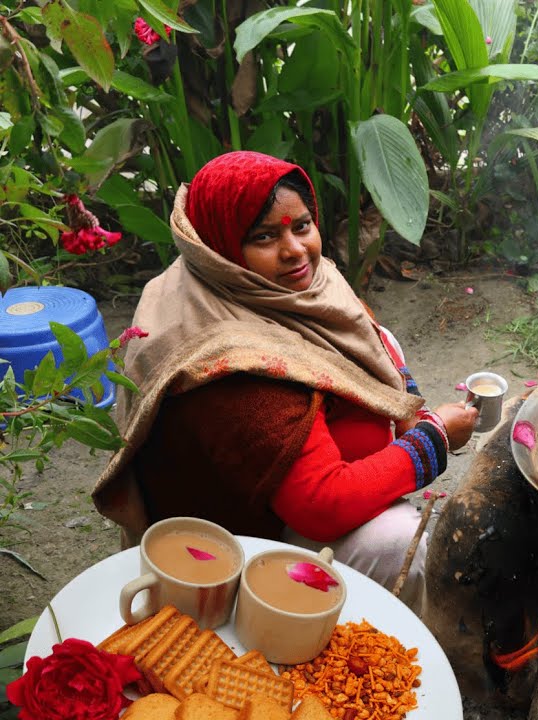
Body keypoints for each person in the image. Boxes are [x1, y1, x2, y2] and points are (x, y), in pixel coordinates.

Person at [92, 151, 478, 617]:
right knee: (398, 543)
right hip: (243, 543)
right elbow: (321, 505)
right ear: (221, 247)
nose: (295, 250)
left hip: (279, 478)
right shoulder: (233, 369)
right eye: (264, 237)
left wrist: (403, 407)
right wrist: (432, 438)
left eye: (301, 226)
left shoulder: (243, 280)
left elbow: (362, 332)